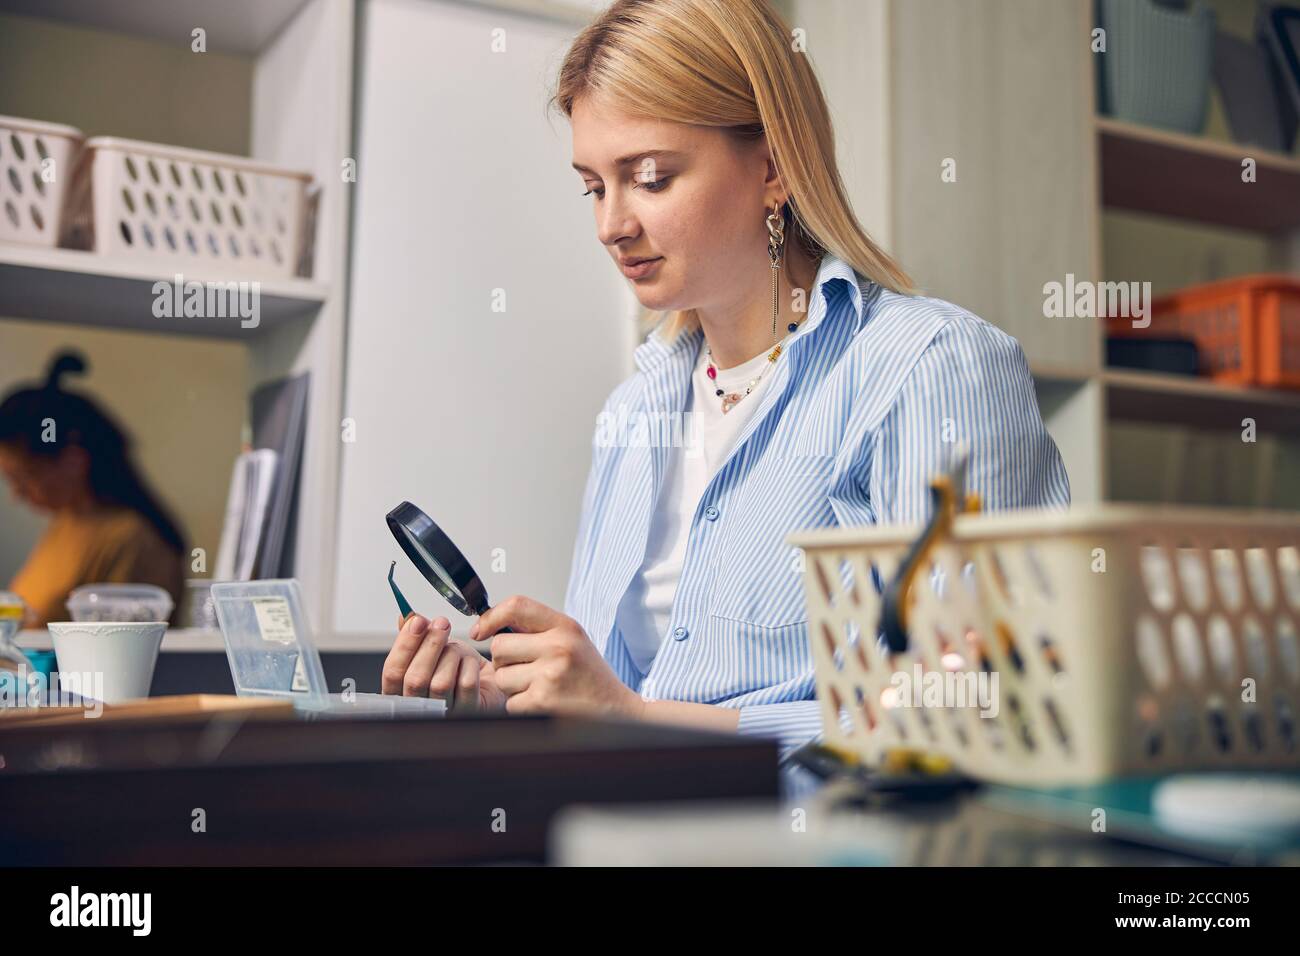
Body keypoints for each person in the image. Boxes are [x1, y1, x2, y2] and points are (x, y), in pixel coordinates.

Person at [380, 0, 1070, 768]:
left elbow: (990, 709)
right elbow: (615, 698)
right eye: (592, 188)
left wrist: (636, 718)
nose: (611, 224)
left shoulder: (931, 368)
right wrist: (507, 696)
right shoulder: (634, 411)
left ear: (771, 168)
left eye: (648, 178)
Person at [0, 351, 186, 628]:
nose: (17, 495)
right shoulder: (67, 523)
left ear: (74, 461)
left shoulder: (131, 540)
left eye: (25, 479)